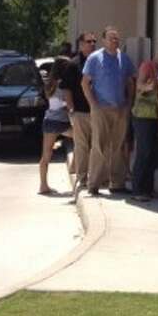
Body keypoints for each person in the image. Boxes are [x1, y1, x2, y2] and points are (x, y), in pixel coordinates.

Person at [81, 25, 136, 196]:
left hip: (120, 109)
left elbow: (130, 82)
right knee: (99, 145)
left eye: (117, 38)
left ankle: (117, 183)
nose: (115, 41)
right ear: (104, 40)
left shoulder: (124, 59)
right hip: (101, 109)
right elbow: (85, 83)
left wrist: (129, 103)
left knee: (118, 146)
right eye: (111, 38)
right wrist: (93, 106)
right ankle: (94, 184)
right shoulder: (94, 59)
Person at [129, 44, 158, 202]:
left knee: (153, 153)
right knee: (143, 152)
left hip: (157, 115)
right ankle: (137, 189)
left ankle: (149, 188)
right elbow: (139, 85)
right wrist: (148, 86)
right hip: (143, 115)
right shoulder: (147, 65)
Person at [63, 32, 95, 198]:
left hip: (98, 112)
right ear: (81, 44)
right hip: (80, 112)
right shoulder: (73, 65)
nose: (92, 44)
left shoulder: (98, 62)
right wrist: (71, 110)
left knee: (98, 145)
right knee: (82, 146)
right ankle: (82, 178)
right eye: (88, 41)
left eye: (94, 41)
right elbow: (66, 89)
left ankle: (97, 178)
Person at [38, 57, 73, 196]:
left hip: (49, 120)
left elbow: (53, 103)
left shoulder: (49, 84)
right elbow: (67, 104)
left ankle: (43, 184)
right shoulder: (63, 85)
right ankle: (75, 168)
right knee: (83, 140)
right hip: (61, 122)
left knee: (45, 155)